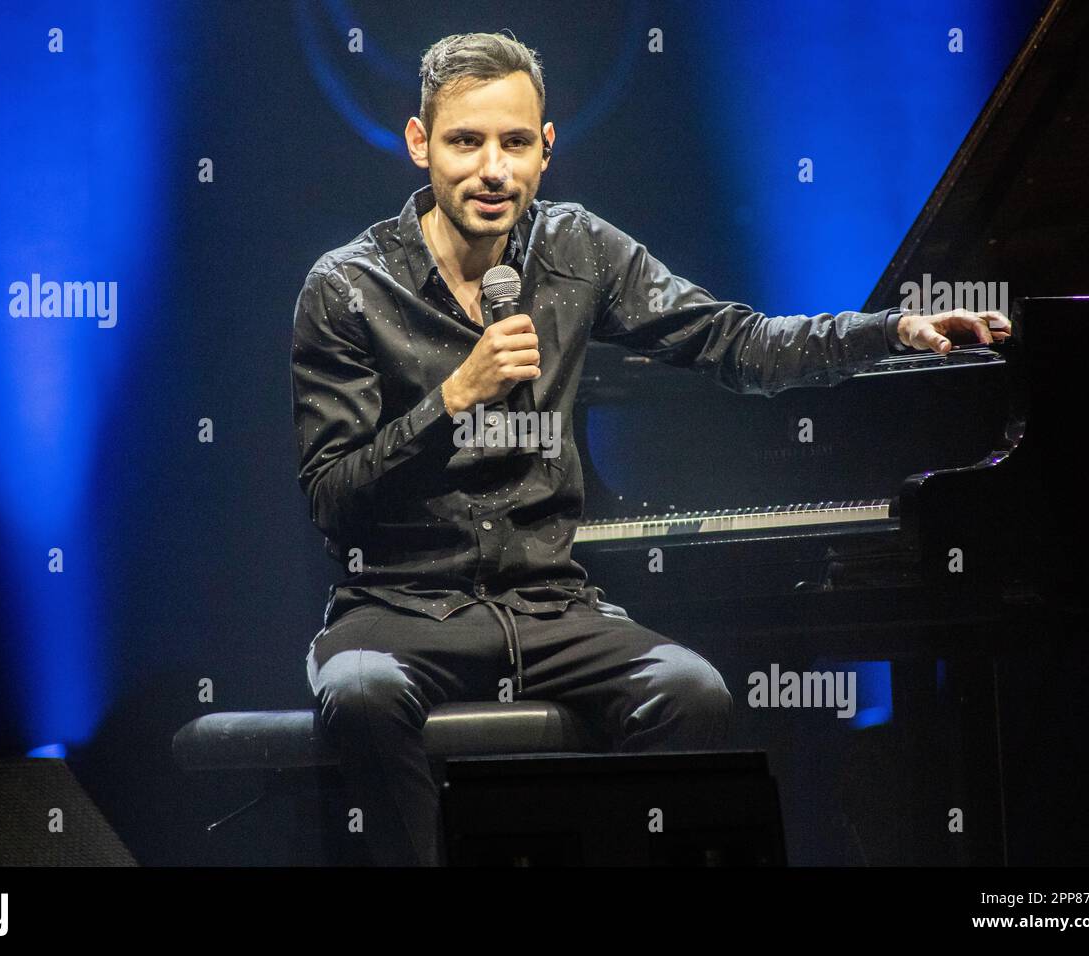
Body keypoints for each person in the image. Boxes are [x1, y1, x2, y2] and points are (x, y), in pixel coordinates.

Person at [290, 31, 1011, 866]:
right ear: (421, 144)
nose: (494, 170)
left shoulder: (576, 249)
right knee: (361, 691)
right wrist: (455, 398)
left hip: (547, 604)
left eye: (516, 143)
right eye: (466, 142)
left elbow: (734, 341)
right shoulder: (345, 287)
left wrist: (890, 331)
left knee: (691, 692)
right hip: (402, 607)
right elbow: (332, 493)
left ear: (546, 148)